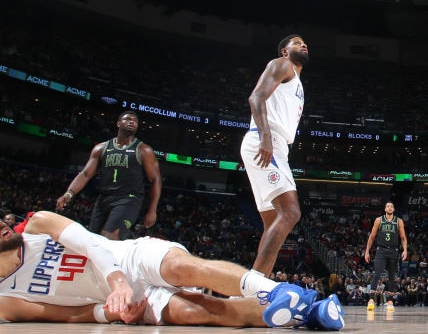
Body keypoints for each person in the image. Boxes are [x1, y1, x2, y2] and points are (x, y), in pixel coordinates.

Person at [0, 210, 342, 328]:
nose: (2, 223)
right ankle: (309, 313)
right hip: (123, 299)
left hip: (130, 257)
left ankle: (277, 290)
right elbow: (65, 315)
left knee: (182, 267)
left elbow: (92, 244)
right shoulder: (5, 300)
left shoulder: (37, 224)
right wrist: (112, 314)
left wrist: (117, 281)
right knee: (198, 313)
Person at [241, 34, 309, 276]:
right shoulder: (283, 64)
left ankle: (255, 288)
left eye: (304, 43)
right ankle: (253, 284)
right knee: (291, 212)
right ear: (284, 51)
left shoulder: (296, 81)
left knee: (272, 223)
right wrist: (266, 136)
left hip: (274, 144)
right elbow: (256, 97)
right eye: (297, 42)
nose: (303, 44)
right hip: (266, 138)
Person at [56, 111, 161, 239]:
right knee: (93, 239)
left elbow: (155, 179)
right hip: (104, 198)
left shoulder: (144, 150)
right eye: (127, 119)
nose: (131, 122)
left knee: (109, 236)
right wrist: (68, 194)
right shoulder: (101, 148)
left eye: (135, 121)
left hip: (129, 199)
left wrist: (152, 210)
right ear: (118, 123)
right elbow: (85, 174)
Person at [363, 201, 408, 312]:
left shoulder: (399, 221)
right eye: (388, 206)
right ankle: (371, 300)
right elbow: (372, 237)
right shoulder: (379, 220)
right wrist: (367, 251)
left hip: (394, 250)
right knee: (377, 273)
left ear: (394, 209)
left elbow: (403, 238)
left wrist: (405, 250)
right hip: (381, 250)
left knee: (392, 276)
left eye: (391, 206)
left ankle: (390, 301)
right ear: (385, 209)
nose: (389, 207)